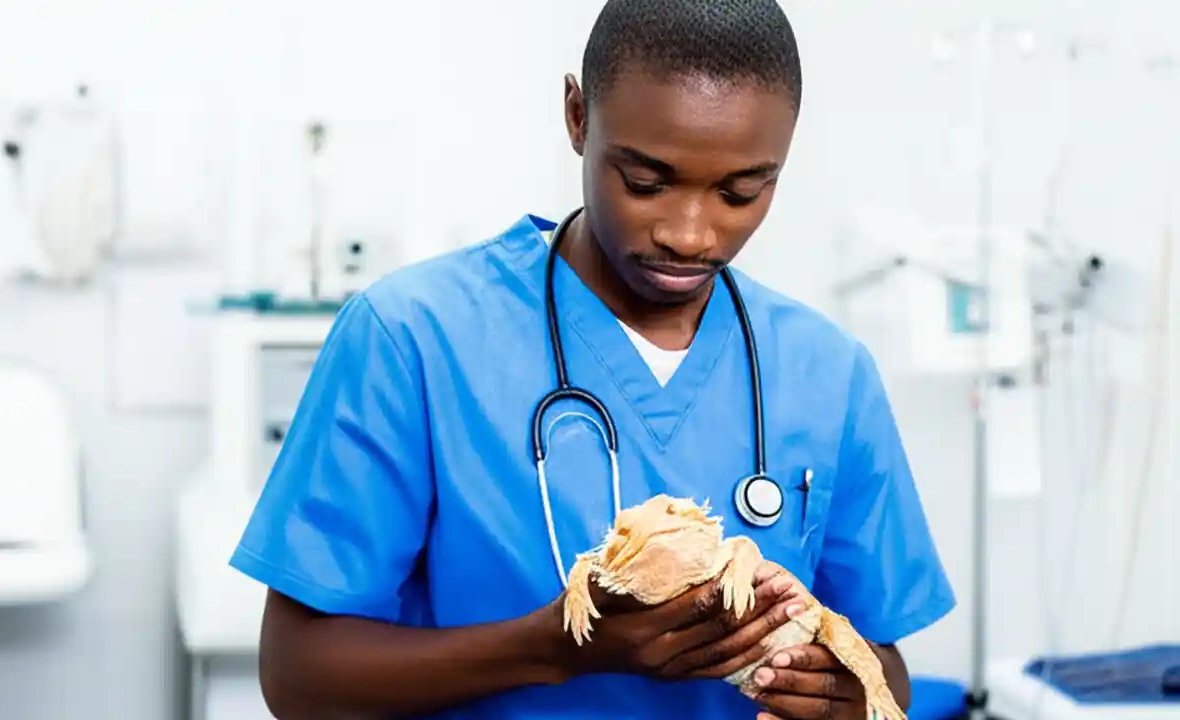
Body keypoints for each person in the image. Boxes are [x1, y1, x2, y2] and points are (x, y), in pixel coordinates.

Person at [229, 0, 957, 718]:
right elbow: (299, 676)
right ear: (578, 116)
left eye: (742, 192)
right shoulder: (411, 337)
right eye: (645, 182)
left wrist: (840, 699)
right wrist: (556, 648)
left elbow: (884, 670)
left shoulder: (826, 373)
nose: (690, 233)